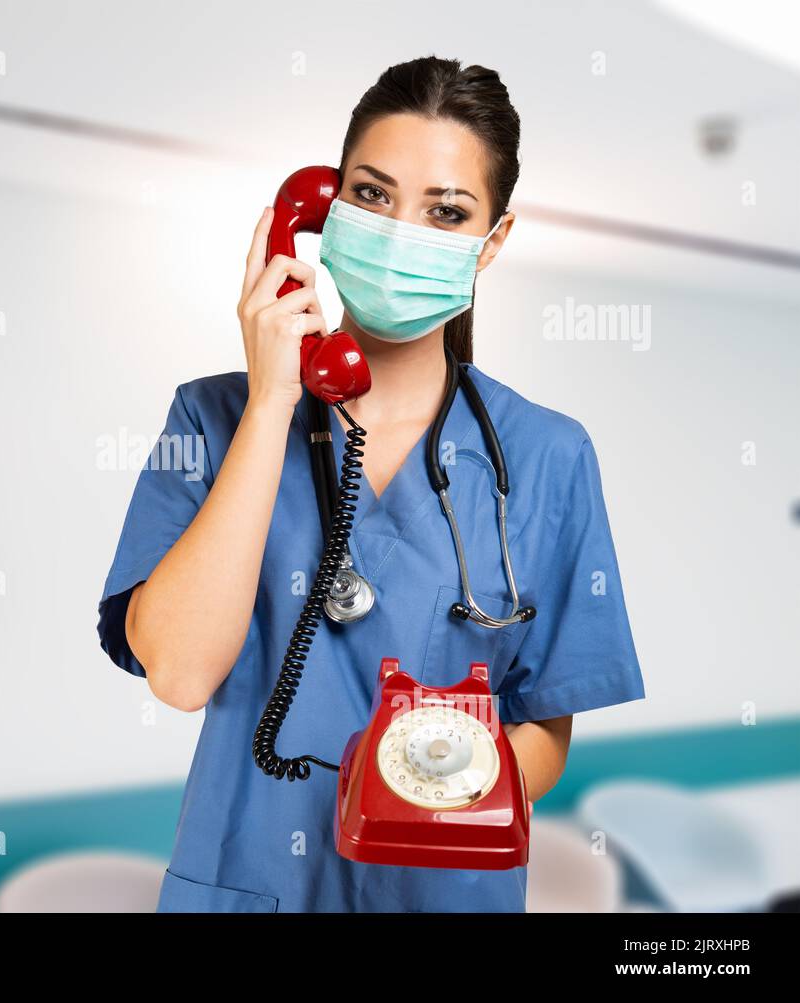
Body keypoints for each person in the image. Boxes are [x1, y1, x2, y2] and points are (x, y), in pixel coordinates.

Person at [95, 56, 645, 912]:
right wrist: (274, 397)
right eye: (373, 195)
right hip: (249, 886)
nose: (399, 232)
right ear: (321, 209)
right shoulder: (210, 419)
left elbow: (542, 723)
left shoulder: (548, 455)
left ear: (491, 243)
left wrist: (437, 792)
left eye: (447, 212)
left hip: (446, 892)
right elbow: (178, 672)